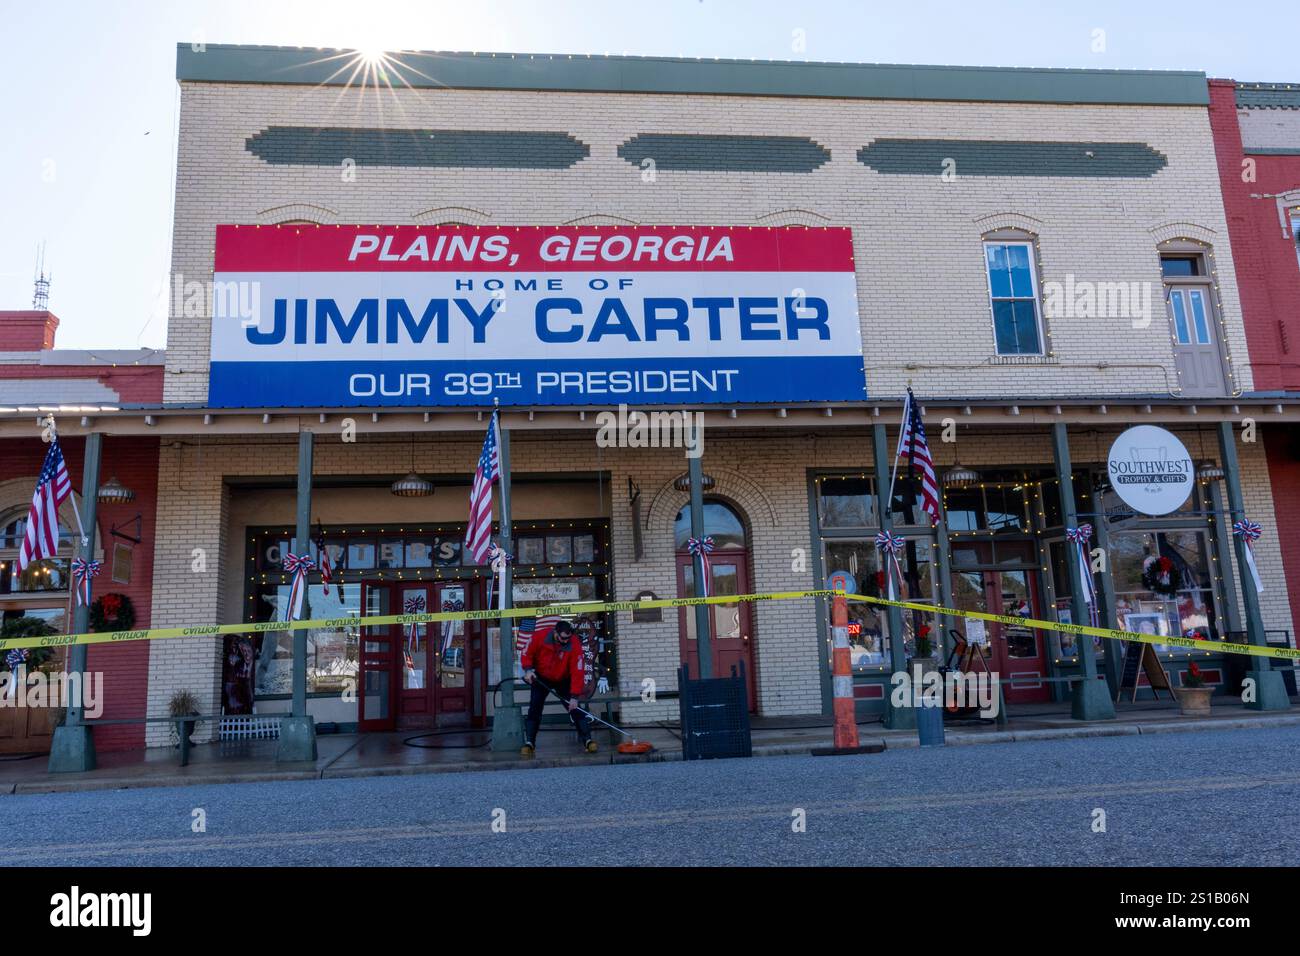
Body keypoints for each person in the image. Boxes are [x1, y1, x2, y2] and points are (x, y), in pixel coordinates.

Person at [520, 619, 596, 757]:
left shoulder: (574, 643)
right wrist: (527, 670)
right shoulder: (540, 636)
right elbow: (526, 653)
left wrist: (574, 696)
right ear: (555, 633)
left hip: (563, 678)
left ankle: (587, 740)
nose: (565, 641)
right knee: (535, 707)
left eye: (568, 638)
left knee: (575, 708)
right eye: (562, 638)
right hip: (541, 677)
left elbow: (577, 671)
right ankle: (530, 742)